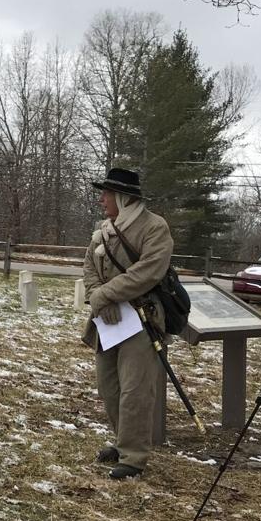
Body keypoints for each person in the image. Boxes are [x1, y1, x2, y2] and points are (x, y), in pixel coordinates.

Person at [83, 167, 174, 480]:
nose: (101, 200)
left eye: (105, 194)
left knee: (134, 389)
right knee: (109, 386)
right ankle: (123, 443)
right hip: (108, 319)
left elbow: (148, 272)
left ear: (121, 197)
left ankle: (134, 457)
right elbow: (89, 268)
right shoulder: (103, 229)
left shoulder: (154, 227)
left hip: (141, 317)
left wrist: (105, 296)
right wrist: (100, 298)